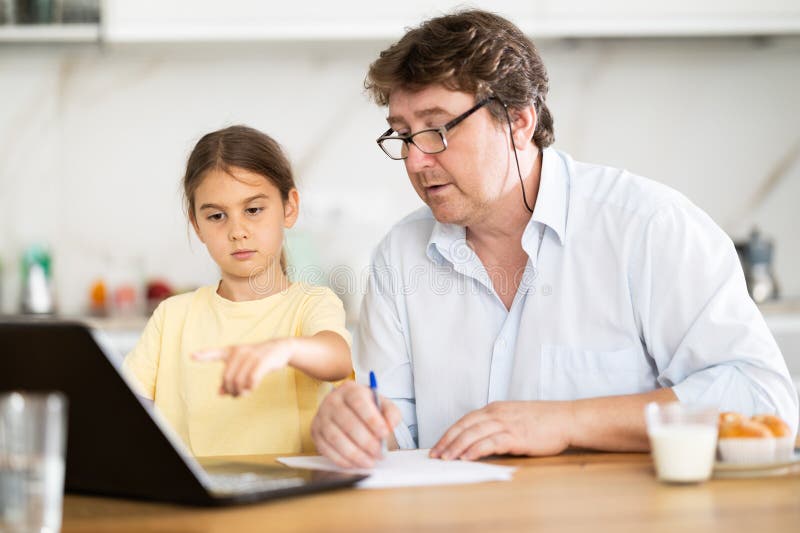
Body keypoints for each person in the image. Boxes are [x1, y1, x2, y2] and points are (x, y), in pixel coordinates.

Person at [310, 9, 798, 468]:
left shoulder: (647, 227)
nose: (416, 160)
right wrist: (353, 429)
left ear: (519, 120)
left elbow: (759, 396)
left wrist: (569, 421)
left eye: (437, 129)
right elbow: (394, 433)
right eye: (403, 134)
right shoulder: (400, 256)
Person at [123, 125, 352, 456]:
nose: (237, 231)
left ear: (289, 207)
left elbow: (337, 359)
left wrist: (283, 350)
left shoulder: (311, 304)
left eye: (253, 210)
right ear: (196, 225)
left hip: (290, 502)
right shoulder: (172, 316)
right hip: (196, 505)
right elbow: (127, 411)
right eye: (217, 216)